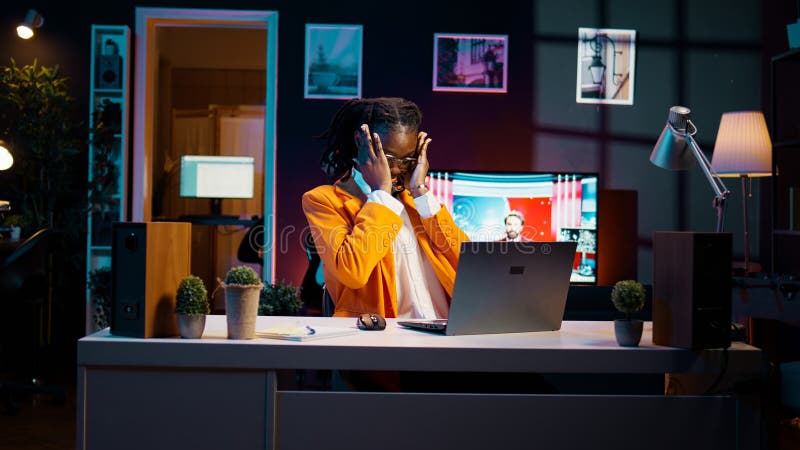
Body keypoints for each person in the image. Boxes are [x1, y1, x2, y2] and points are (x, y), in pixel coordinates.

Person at [302, 97, 470, 319]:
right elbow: (352, 272)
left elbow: (468, 266)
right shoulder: (324, 201)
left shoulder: (418, 202)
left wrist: (420, 191)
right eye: (389, 158)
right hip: (383, 335)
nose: (398, 169)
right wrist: (380, 192)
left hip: (445, 328)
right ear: (361, 142)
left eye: (407, 159)